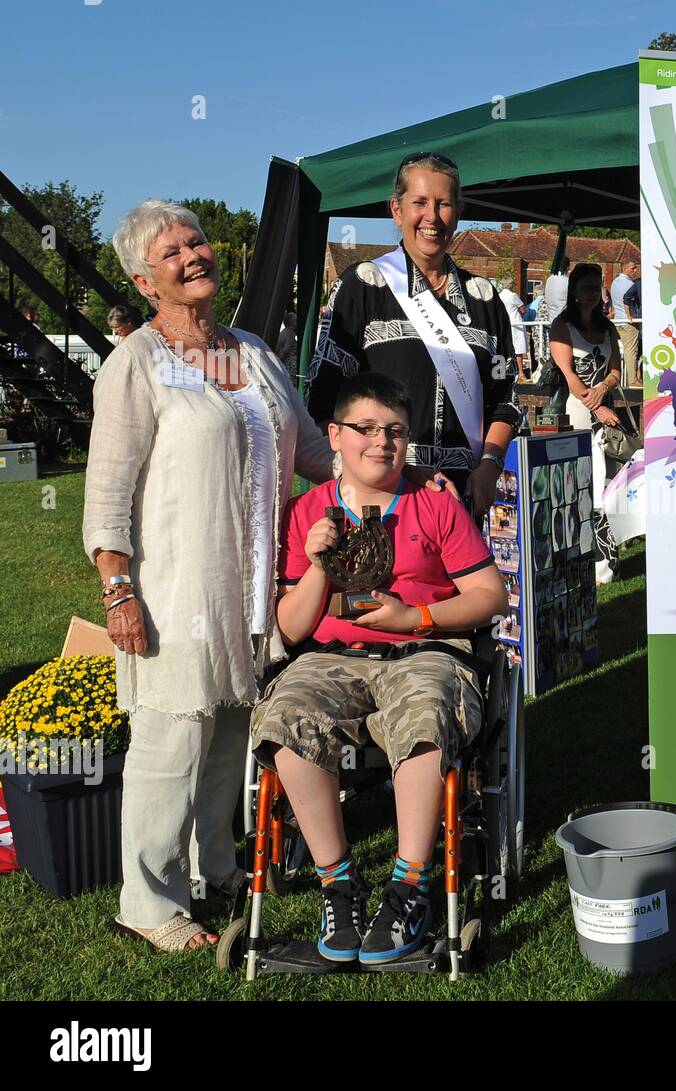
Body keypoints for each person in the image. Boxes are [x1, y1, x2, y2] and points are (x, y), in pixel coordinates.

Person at [83, 199, 336, 951]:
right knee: (172, 736)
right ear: (143, 281)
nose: (192, 256)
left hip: (252, 582)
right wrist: (118, 589)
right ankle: (148, 900)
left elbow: (310, 450)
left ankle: (215, 862)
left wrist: (384, 466)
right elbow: (107, 489)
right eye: (172, 252)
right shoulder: (136, 363)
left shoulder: (249, 352)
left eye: (196, 242)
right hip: (174, 586)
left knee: (230, 725)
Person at [250, 373, 506, 964]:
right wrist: (318, 565)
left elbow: (490, 596)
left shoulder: (434, 503)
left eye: (395, 431)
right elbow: (291, 628)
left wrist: (415, 617)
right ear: (334, 435)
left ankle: (409, 884)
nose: (381, 442)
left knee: (425, 715)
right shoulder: (305, 512)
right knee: (286, 717)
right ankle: (338, 883)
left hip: (425, 650)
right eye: (365, 429)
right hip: (329, 656)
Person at [306, 152, 520, 516]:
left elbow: (505, 400)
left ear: (458, 212)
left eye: (443, 204)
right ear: (397, 210)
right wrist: (399, 470)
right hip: (385, 500)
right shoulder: (363, 287)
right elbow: (323, 399)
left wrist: (489, 466)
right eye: (419, 203)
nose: (432, 217)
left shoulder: (485, 299)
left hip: (463, 500)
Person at [550, 262, 623, 583]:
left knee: (605, 487)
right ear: (575, 292)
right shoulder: (561, 326)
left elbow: (616, 370)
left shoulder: (608, 328)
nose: (594, 293)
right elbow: (567, 374)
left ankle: (605, 566)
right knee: (577, 488)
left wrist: (604, 389)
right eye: (587, 287)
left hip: (604, 416)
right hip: (575, 415)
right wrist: (596, 407)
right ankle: (575, 562)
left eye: (598, 287)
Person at [610, 259, 640, 387]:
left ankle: (633, 378)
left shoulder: (614, 282)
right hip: (629, 322)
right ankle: (632, 380)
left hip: (618, 321)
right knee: (631, 351)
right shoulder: (630, 284)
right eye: (633, 268)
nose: (635, 270)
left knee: (625, 350)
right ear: (625, 268)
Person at [496, 276, 528, 380]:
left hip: (504, 324)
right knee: (519, 348)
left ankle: (503, 372)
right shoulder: (513, 295)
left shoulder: (498, 296)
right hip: (515, 324)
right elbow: (523, 310)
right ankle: (521, 373)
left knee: (505, 348)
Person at [543, 256, 570, 331]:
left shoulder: (549, 279)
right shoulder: (568, 281)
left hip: (551, 322)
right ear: (567, 267)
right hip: (565, 323)